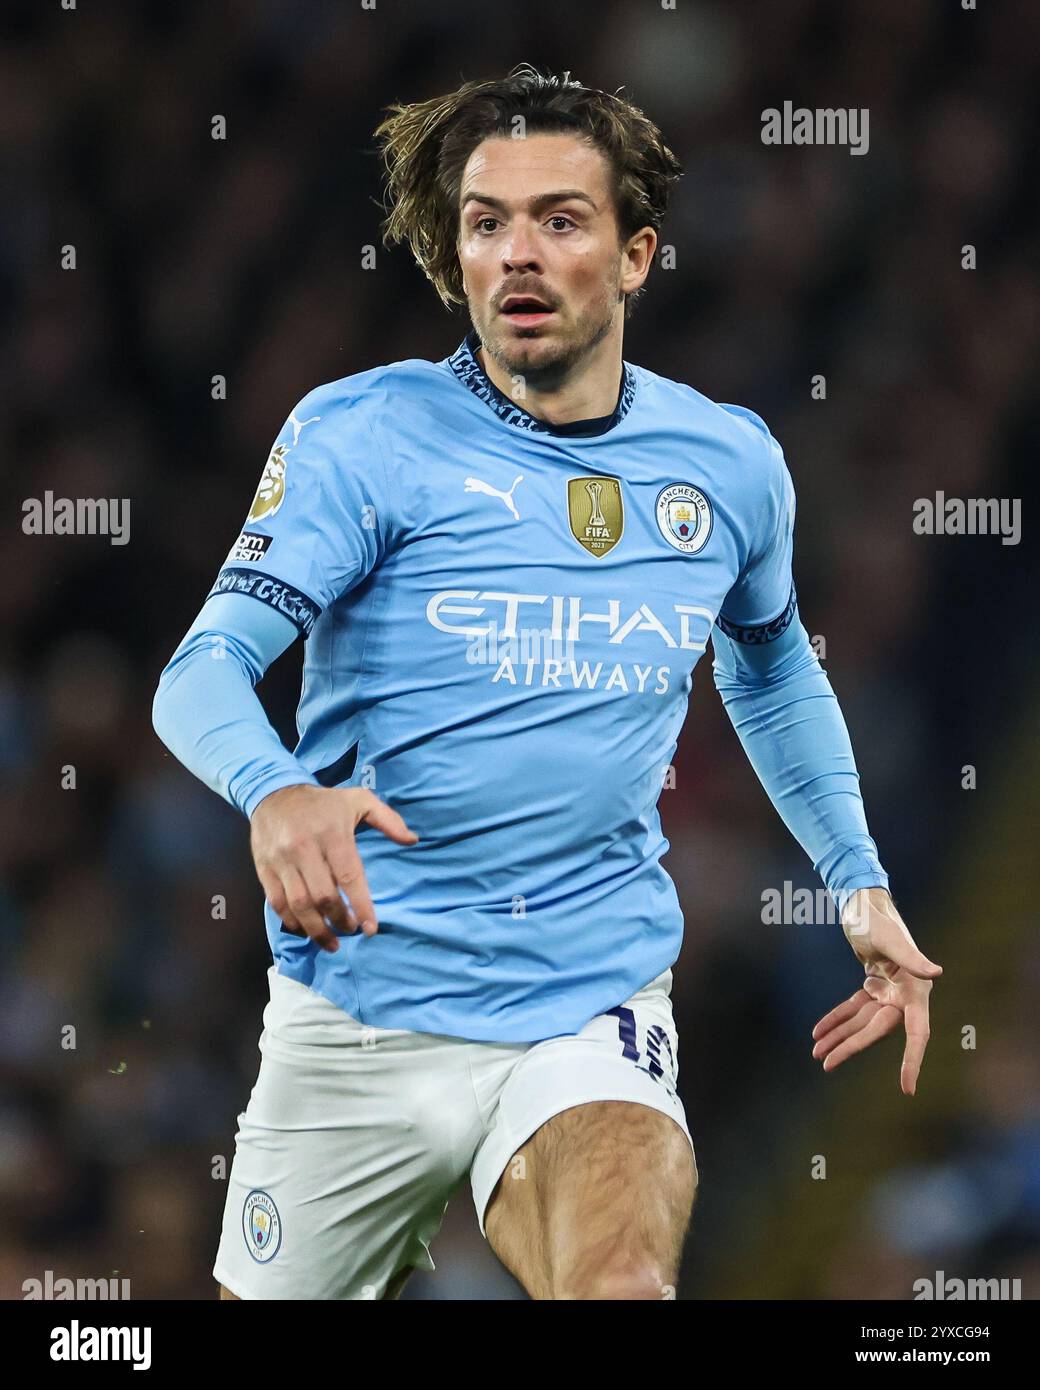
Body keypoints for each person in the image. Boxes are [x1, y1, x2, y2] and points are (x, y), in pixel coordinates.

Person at [151, 63, 941, 1301]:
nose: (516, 252)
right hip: (360, 1011)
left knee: (619, 1284)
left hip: (587, 1002)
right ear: (457, 255)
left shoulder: (726, 463)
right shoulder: (364, 435)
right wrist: (274, 790)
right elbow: (202, 668)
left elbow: (773, 666)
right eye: (486, 223)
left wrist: (855, 876)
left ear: (634, 256)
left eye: (559, 220)